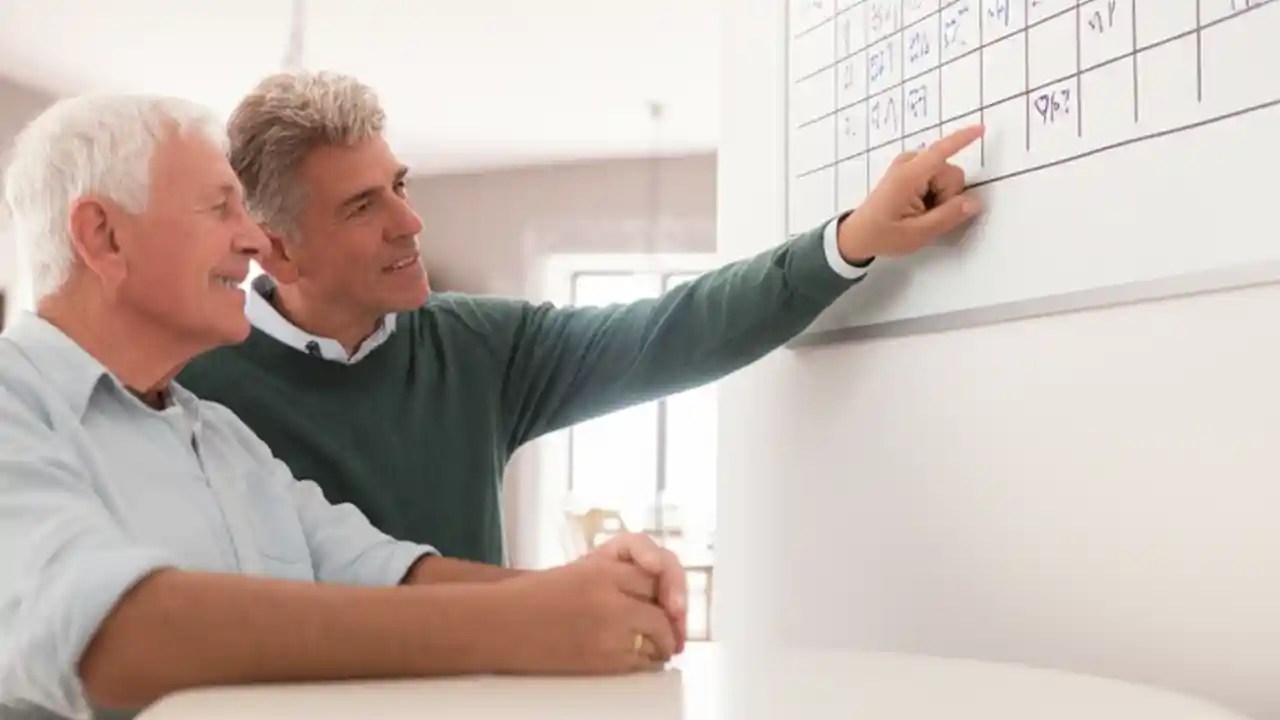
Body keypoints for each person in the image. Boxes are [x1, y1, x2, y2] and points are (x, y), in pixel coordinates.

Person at [0, 94, 688, 720]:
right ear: (104, 238)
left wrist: (591, 594)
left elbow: (385, 573)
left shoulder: (216, 436)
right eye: (220, 209)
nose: (253, 240)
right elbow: (115, 635)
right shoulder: (14, 404)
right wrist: (529, 622)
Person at [176, 71, 984, 567]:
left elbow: (676, 328)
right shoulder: (186, 385)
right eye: (364, 205)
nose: (409, 223)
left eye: (402, 184)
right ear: (276, 252)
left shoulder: (480, 347)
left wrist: (848, 243)